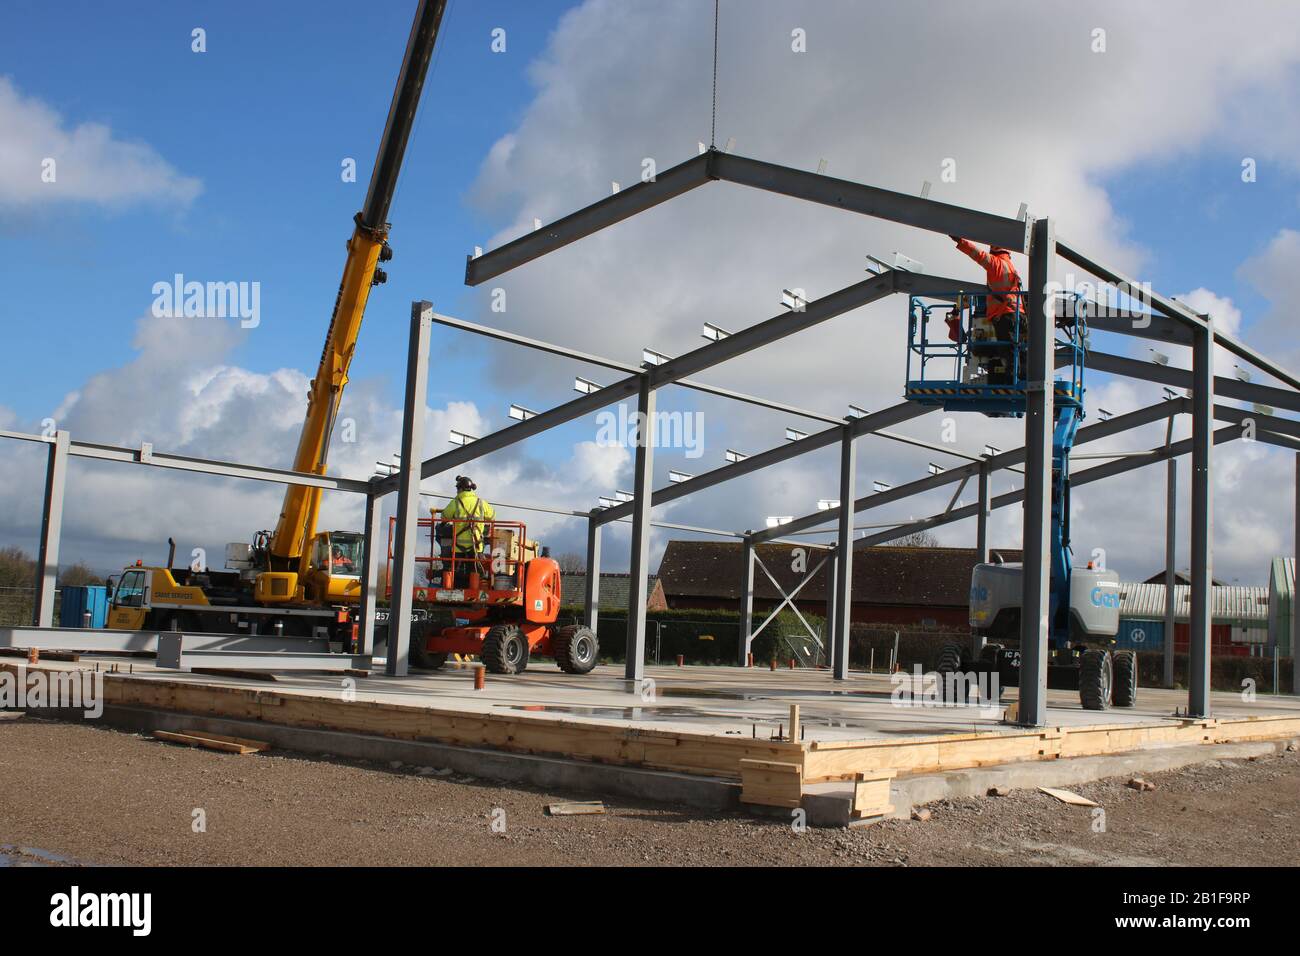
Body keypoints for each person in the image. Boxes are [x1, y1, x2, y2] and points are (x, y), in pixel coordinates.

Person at [950, 236, 1026, 384]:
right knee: (1017, 347)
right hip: (1017, 313)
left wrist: (960, 241)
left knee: (1008, 349)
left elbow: (978, 255)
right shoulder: (1010, 266)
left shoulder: (996, 263)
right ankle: (1022, 373)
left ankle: (1015, 378)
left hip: (1005, 314)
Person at [435, 476, 496, 586]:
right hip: (476, 547)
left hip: (458, 548)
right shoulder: (481, 503)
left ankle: (448, 580)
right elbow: (492, 516)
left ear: (461, 489)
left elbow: (444, 517)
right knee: (474, 568)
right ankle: (475, 582)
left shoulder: (456, 502)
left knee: (449, 564)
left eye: (457, 489)